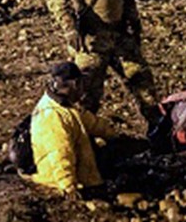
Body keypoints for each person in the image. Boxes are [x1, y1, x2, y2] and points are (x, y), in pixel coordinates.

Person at [29, 61, 120, 198]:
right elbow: (60, 154)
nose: (82, 89)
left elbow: (91, 123)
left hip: (77, 176)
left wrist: (114, 134)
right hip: (56, 181)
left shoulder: (64, 106)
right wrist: (68, 187)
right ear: (72, 84)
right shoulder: (52, 116)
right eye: (79, 83)